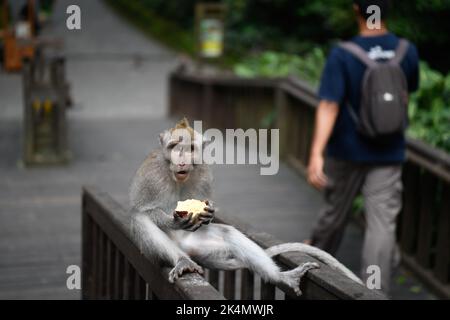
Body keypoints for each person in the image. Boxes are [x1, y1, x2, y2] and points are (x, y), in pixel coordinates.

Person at [306, 0, 419, 294]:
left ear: (357, 9)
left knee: (334, 214)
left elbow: (329, 105)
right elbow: (406, 95)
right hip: (389, 151)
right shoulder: (406, 52)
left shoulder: (343, 55)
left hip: (346, 151)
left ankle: (311, 268)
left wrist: (316, 153)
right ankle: (374, 291)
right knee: (381, 227)